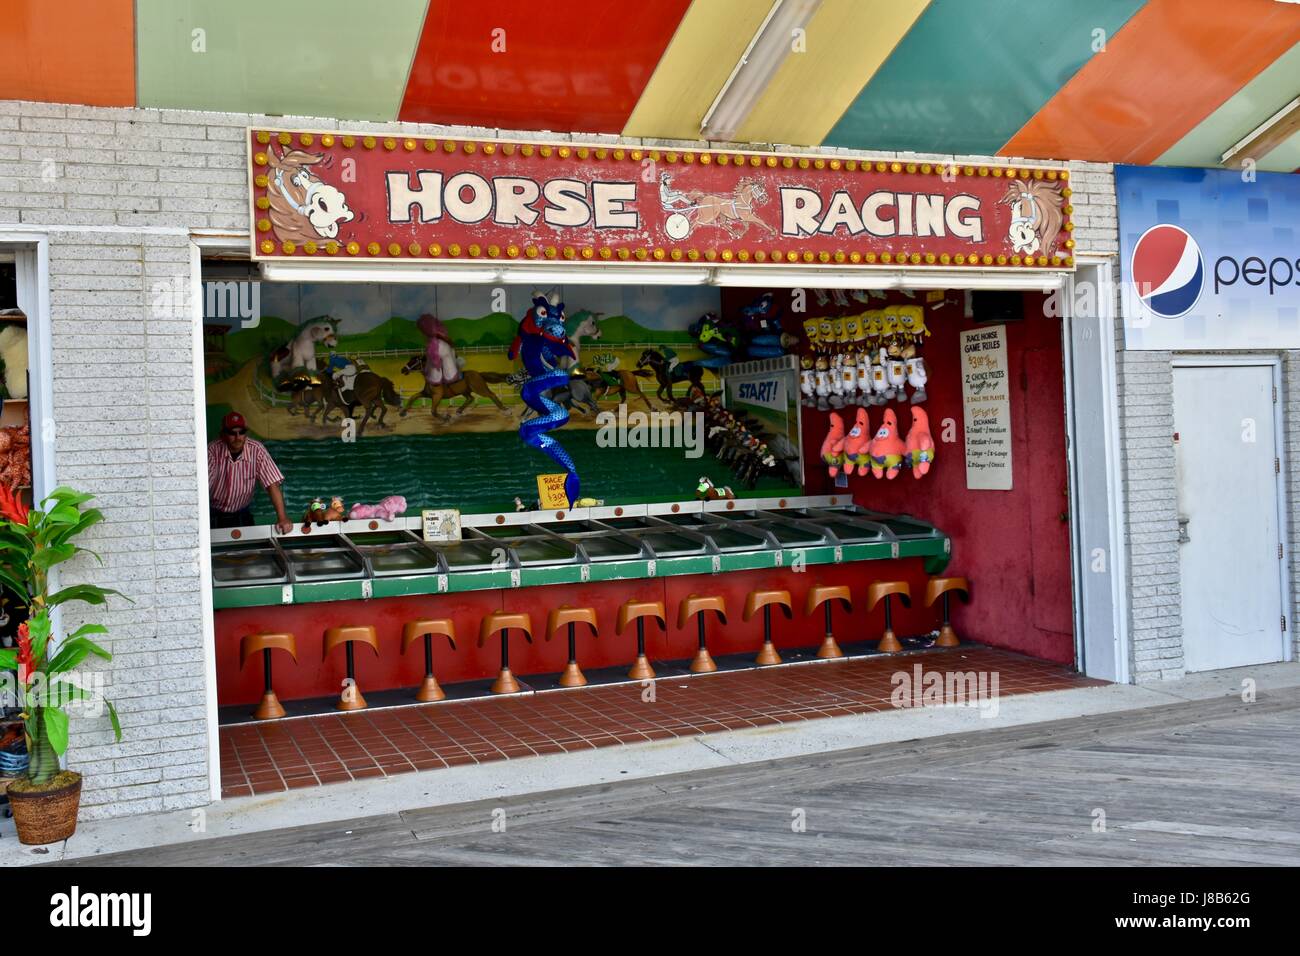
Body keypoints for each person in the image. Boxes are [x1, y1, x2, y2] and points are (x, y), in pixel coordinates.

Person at [208, 412, 293, 533]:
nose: (238, 437)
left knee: (248, 550)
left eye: (241, 432)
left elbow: (272, 484)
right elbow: (202, 487)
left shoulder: (256, 449)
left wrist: (282, 518)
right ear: (223, 434)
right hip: (214, 512)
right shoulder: (212, 450)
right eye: (232, 433)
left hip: (242, 511)